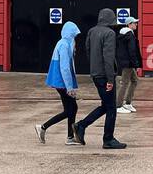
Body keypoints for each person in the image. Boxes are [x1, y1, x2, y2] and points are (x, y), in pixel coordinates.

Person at [75, 9, 125, 149]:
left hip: (95, 73)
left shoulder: (92, 31)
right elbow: (108, 58)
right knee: (111, 108)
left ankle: (81, 126)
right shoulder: (109, 33)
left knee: (106, 105)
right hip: (105, 75)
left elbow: (87, 49)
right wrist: (110, 79)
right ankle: (108, 139)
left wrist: (93, 67)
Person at [37, 21, 81, 145]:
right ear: (71, 34)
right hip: (61, 82)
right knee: (70, 109)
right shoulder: (64, 45)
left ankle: (70, 137)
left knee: (72, 108)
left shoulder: (64, 43)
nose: (75, 38)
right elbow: (65, 67)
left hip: (61, 81)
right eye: (75, 35)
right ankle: (43, 127)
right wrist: (69, 87)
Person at [115, 14, 141, 114]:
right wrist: (136, 64)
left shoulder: (122, 34)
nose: (136, 25)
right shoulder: (129, 35)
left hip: (126, 62)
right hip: (129, 63)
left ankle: (128, 103)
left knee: (134, 80)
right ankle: (118, 105)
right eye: (135, 23)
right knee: (125, 83)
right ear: (129, 24)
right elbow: (132, 50)